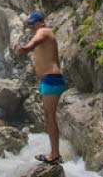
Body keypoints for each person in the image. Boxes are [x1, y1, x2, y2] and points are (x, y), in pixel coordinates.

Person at [13, 10, 65, 164]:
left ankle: (55, 154)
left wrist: (23, 48)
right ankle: (54, 153)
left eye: (33, 24)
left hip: (52, 78)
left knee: (50, 116)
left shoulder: (44, 31)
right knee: (49, 117)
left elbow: (33, 43)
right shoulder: (41, 33)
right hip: (47, 80)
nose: (32, 28)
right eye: (30, 26)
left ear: (41, 22)